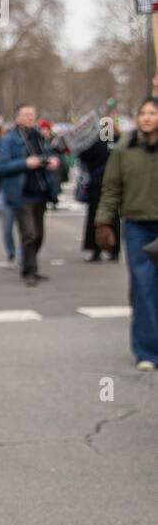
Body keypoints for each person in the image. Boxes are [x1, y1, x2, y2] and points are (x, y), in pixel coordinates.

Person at [94, 97, 158, 371]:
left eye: (153, 113)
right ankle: (148, 351)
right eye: (142, 112)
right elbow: (110, 189)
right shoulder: (123, 149)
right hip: (137, 227)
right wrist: (103, 222)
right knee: (143, 290)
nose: (147, 117)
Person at [0, 103, 61, 286]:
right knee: (29, 234)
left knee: (39, 235)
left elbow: (49, 154)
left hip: (40, 193)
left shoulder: (39, 136)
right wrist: (25, 163)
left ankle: (30, 266)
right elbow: (1, 167)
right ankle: (29, 271)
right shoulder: (9, 140)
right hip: (21, 194)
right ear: (17, 117)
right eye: (25, 114)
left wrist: (53, 160)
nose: (29, 118)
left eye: (32, 114)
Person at [78, 135, 118, 262]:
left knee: (95, 217)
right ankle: (114, 249)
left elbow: (84, 156)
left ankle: (96, 249)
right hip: (112, 183)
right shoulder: (117, 142)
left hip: (98, 183)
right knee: (113, 216)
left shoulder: (97, 143)